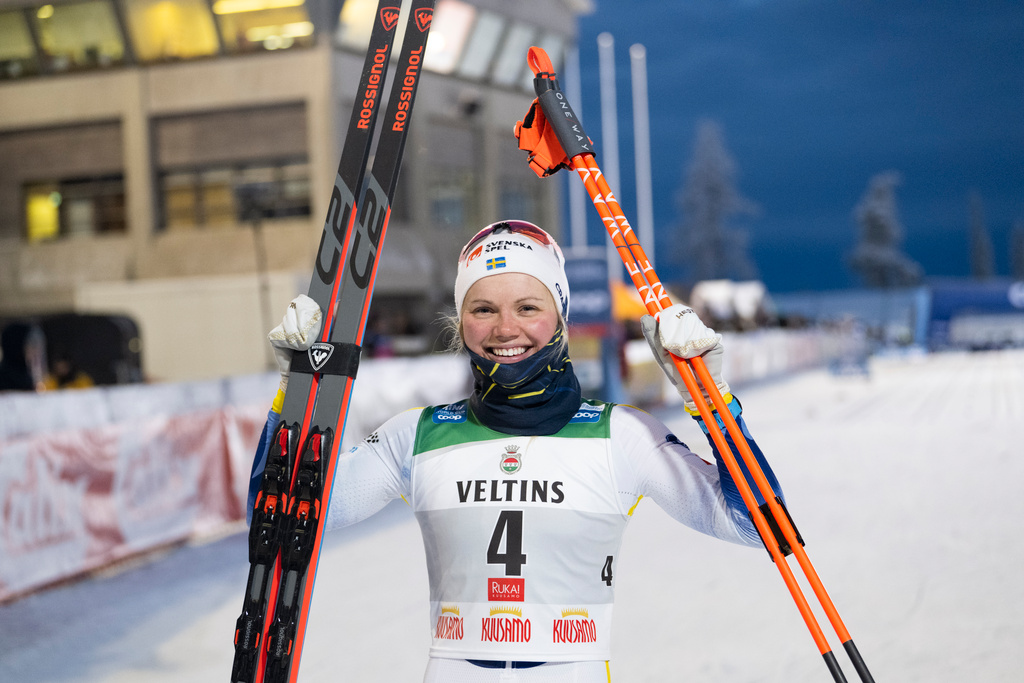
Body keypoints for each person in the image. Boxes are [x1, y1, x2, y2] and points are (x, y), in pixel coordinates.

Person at [249, 220, 785, 682]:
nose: (506, 329)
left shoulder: (619, 434)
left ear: (561, 316)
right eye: (483, 309)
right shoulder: (418, 434)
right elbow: (282, 518)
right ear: (460, 322)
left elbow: (758, 526)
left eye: (528, 307)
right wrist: (294, 397)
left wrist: (715, 406)